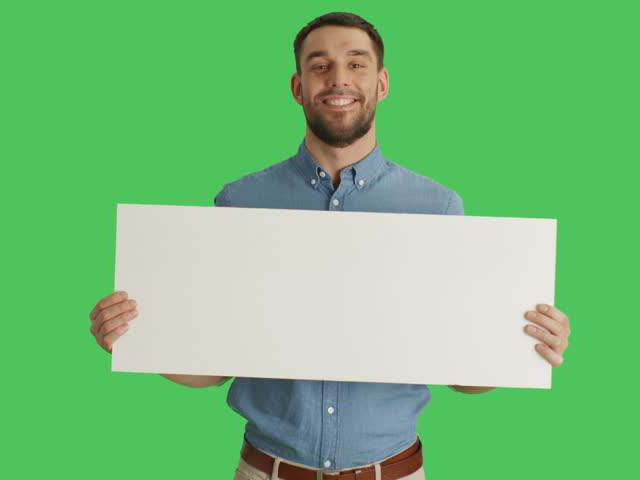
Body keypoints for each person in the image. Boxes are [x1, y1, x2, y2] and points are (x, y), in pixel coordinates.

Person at [88, 12, 572, 480]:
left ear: (381, 84)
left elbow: (462, 370)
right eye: (319, 66)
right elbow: (213, 365)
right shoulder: (242, 201)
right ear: (299, 87)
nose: (338, 79)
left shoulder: (437, 208)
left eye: (356, 64)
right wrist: (138, 339)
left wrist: (525, 343)